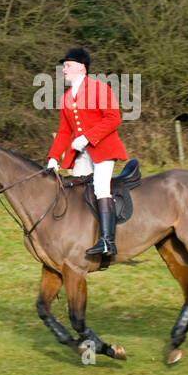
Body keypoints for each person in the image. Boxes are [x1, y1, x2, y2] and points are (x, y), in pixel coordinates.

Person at [45, 47, 128, 256]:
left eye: (68, 66)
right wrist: (53, 157)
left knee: (100, 188)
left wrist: (87, 137)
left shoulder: (99, 89)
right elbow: (64, 131)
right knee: (76, 193)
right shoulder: (66, 98)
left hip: (103, 150)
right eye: (63, 66)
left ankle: (108, 241)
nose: (64, 70)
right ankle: (80, 236)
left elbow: (113, 118)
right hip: (81, 155)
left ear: (81, 68)